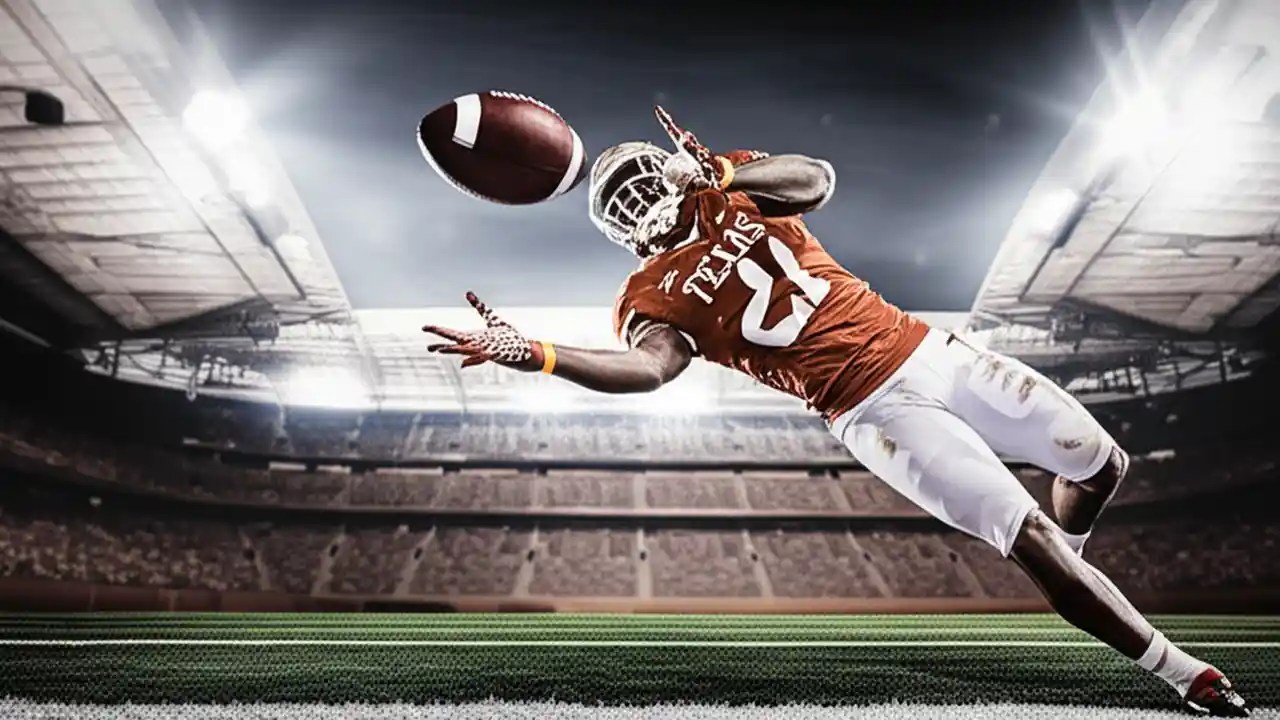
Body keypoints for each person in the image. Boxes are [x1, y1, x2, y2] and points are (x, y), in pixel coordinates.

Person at [423, 107, 1248, 717]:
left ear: (670, 170)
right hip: (872, 411)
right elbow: (651, 369)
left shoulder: (732, 186)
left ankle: (1074, 563)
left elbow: (815, 179)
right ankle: (1182, 672)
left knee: (1102, 463)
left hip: (929, 348)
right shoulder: (646, 294)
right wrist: (540, 356)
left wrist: (723, 175)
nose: (641, 199)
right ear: (614, 229)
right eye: (624, 199)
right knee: (1023, 533)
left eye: (644, 178)